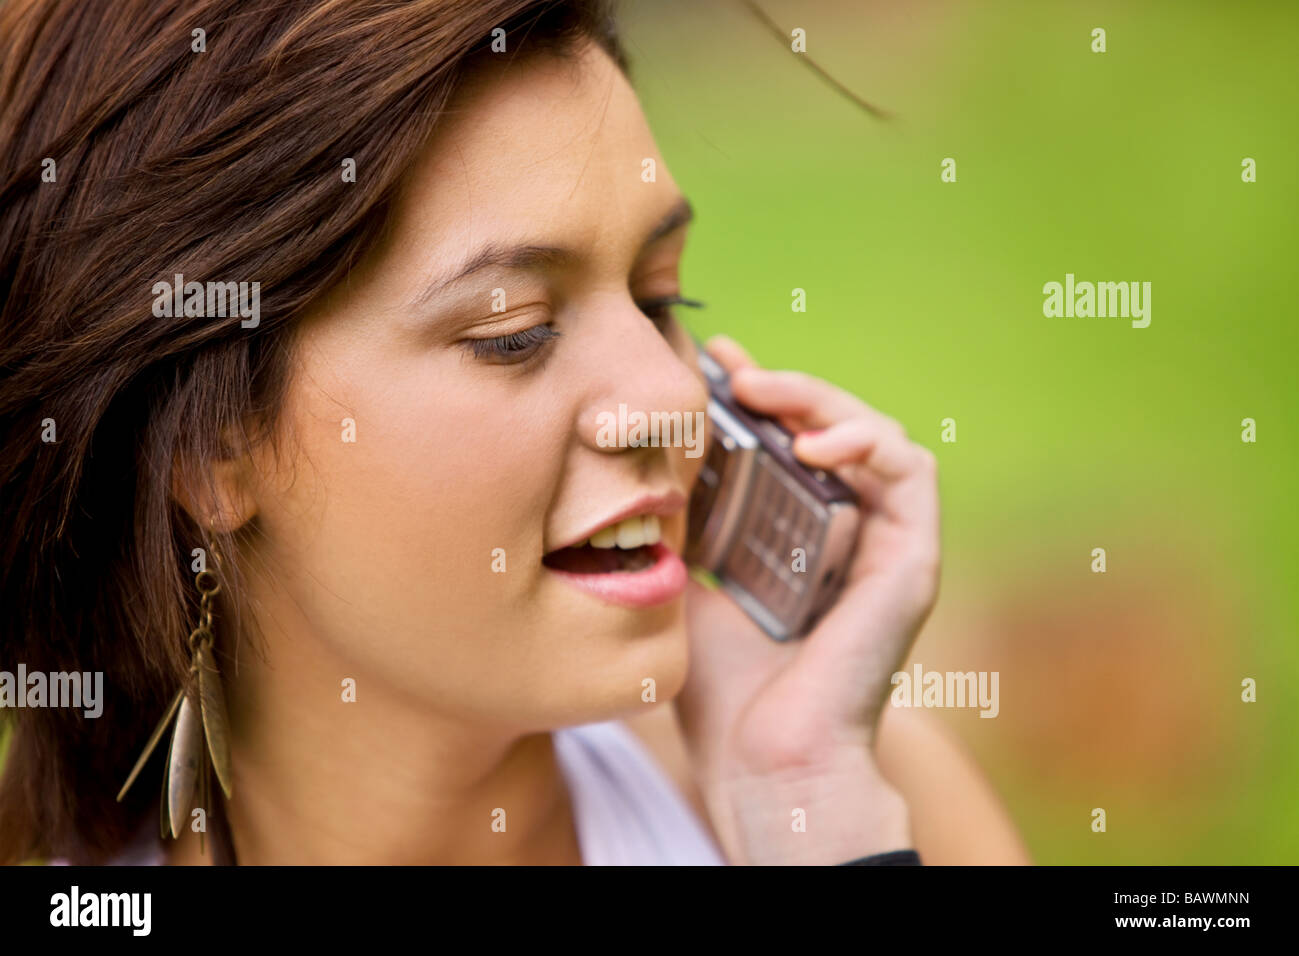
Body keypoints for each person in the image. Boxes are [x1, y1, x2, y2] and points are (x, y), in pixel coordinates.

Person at [0, 0, 1030, 866]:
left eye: (660, 295)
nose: (670, 399)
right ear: (207, 450)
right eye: (514, 333)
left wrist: (813, 813)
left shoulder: (853, 797)